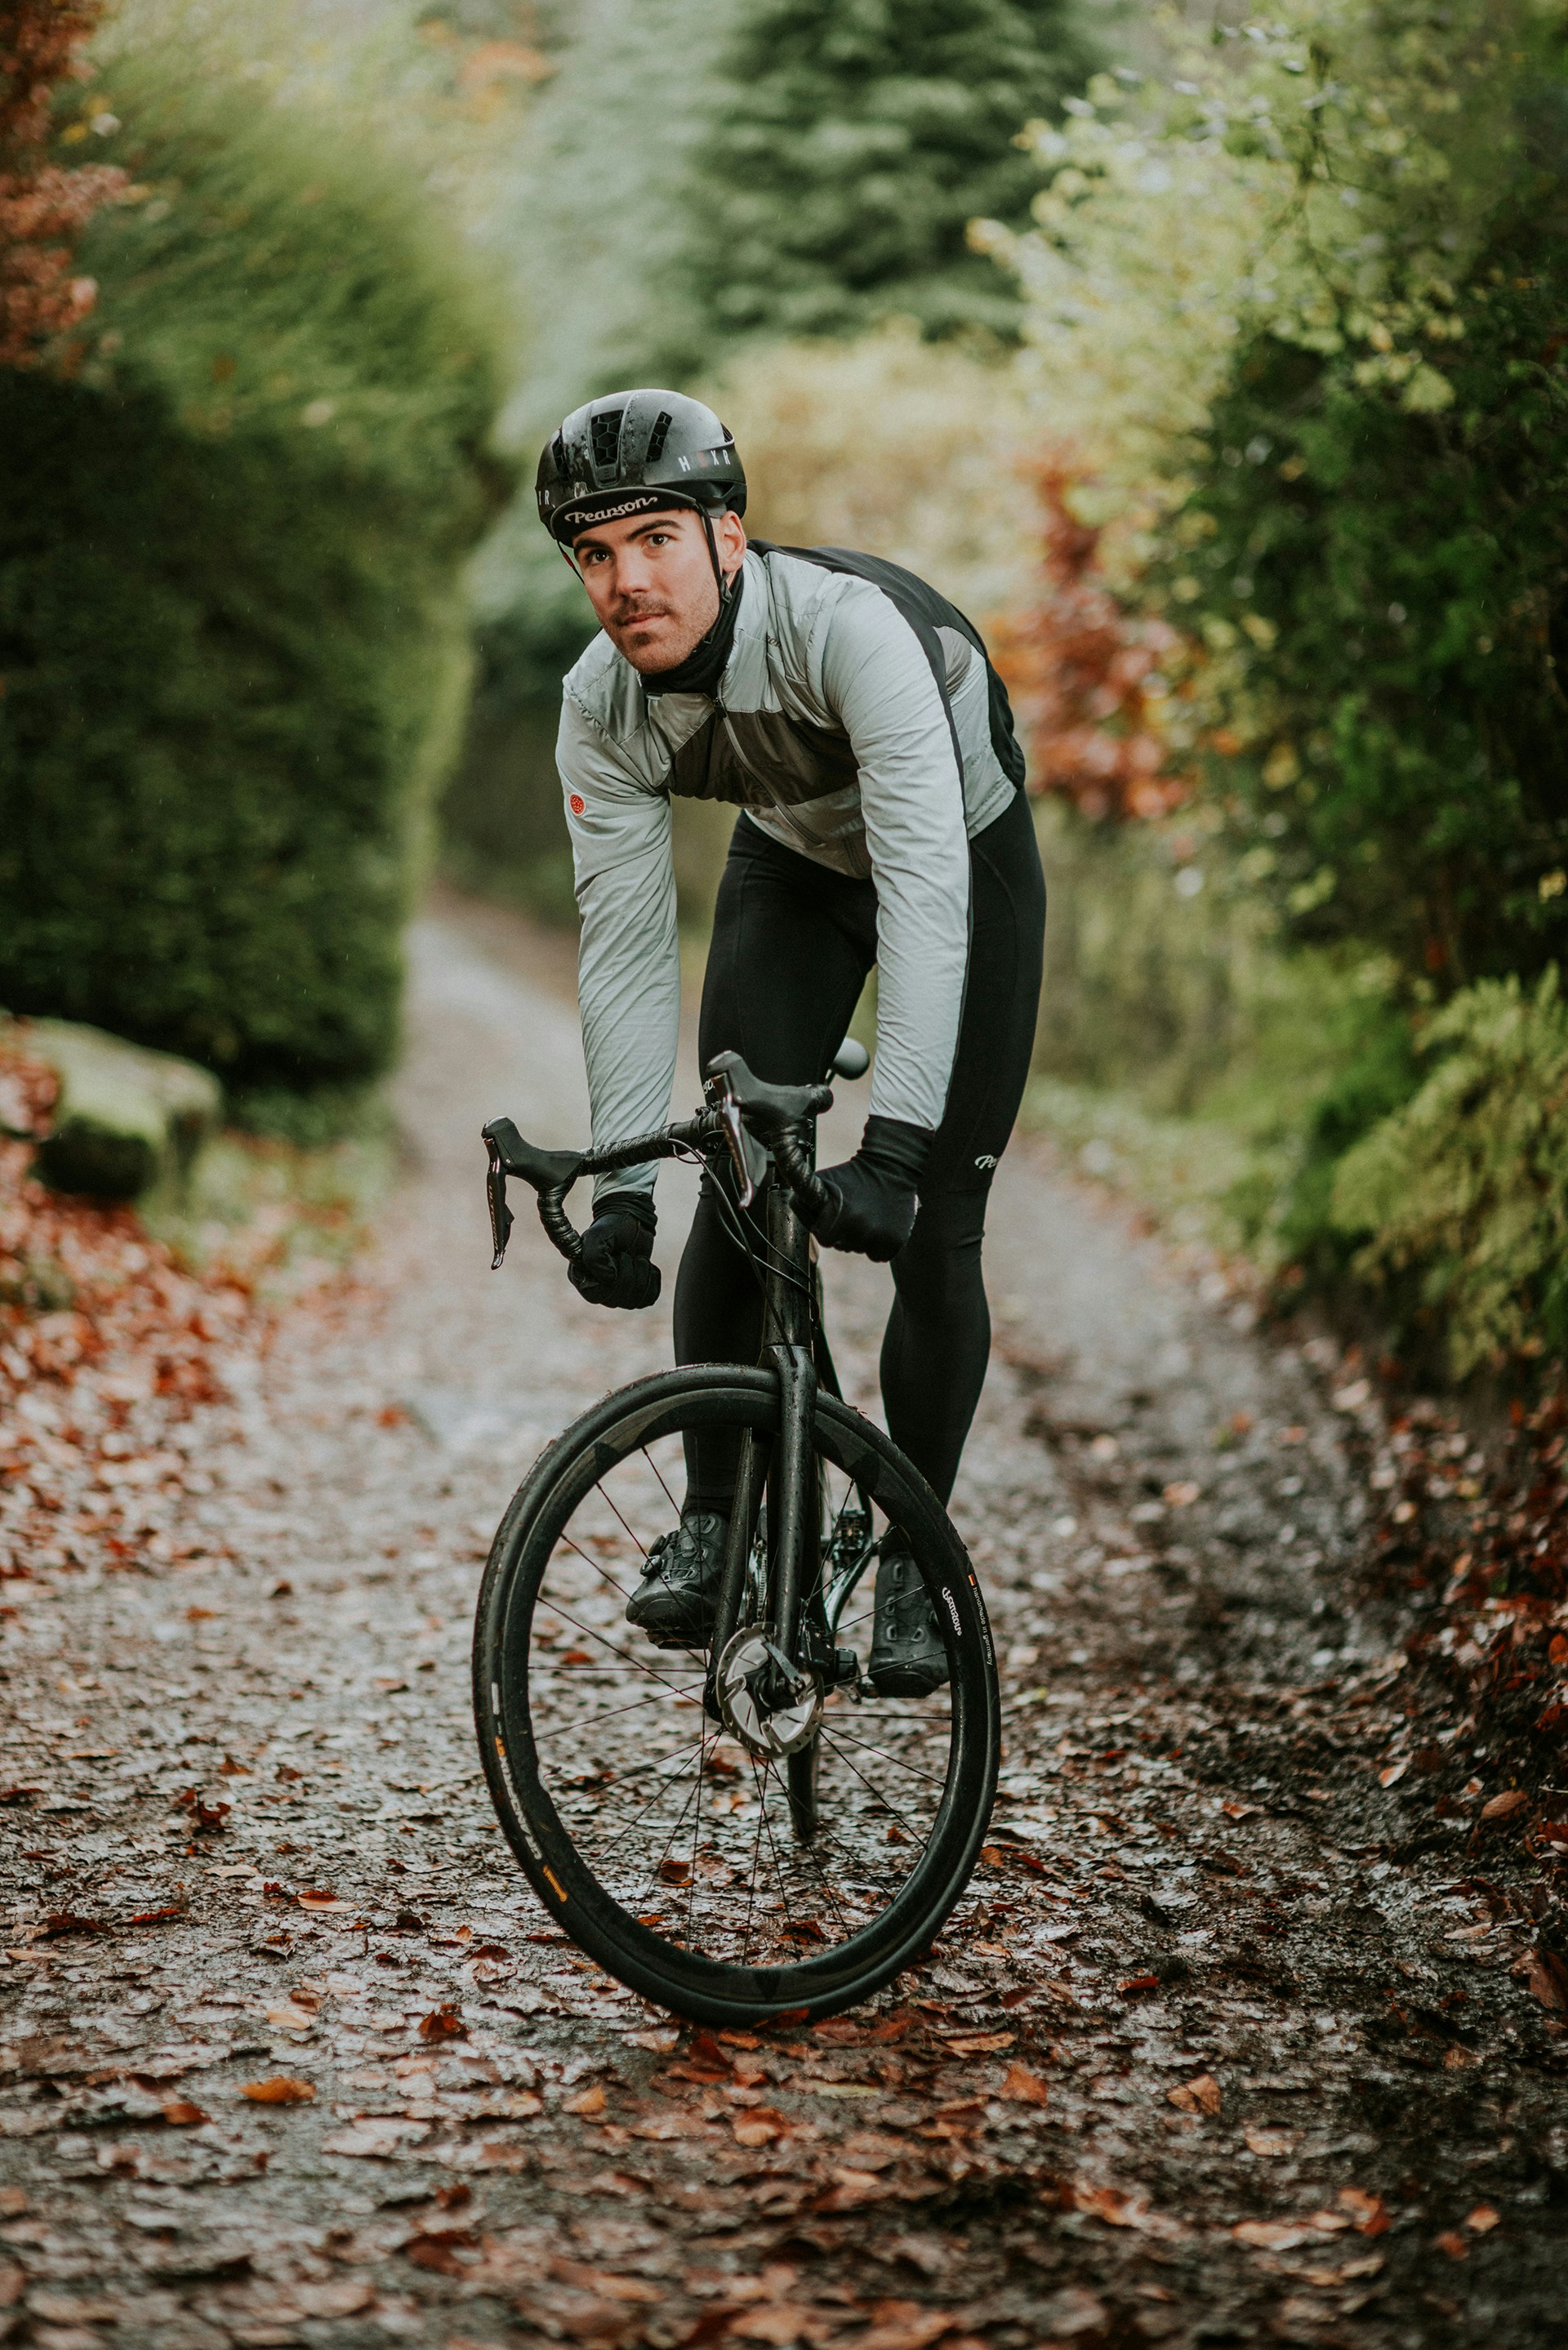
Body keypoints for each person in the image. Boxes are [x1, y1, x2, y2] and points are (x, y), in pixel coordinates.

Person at [537, 389, 1045, 1697]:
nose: (624, 580)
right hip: (796, 864)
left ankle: (915, 1567)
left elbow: (929, 887)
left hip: (958, 856)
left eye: (653, 538)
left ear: (729, 537)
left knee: (937, 1225)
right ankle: (714, 1514)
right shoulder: (603, 703)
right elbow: (629, 947)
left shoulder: (848, 635)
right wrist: (625, 1191)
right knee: (736, 1173)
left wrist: (896, 1146)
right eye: (593, 552)